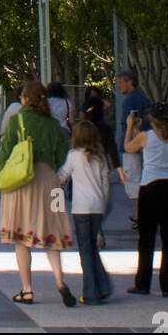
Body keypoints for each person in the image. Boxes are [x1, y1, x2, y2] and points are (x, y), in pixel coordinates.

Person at [0, 81, 76, 307]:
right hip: (51, 183)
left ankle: (27, 290)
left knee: (21, 236)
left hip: (23, 182)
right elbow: (60, 159)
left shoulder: (18, 121)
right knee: (52, 233)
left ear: (25, 99)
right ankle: (59, 280)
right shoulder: (54, 125)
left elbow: (5, 152)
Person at [124, 100, 168, 297]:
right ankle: (167, 285)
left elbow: (128, 147)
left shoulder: (145, 136)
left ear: (151, 118)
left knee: (146, 239)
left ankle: (143, 283)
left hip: (150, 189)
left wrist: (130, 126)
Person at [58, 120, 113, 304]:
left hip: (81, 208)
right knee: (92, 248)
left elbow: (62, 176)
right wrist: (104, 204)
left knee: (85, 250)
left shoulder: (74, 155)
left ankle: (90, 293)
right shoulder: (100, 156)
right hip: (98, 206)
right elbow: (106, 182)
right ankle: (103, 286)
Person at [82, 86, 124, 247]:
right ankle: (97, 229)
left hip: (84, 169)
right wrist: (120, 171)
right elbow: (112, 150)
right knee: (106, 202)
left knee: (91, 201)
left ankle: (95, 229)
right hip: (102, 168)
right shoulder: (104, 128)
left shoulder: (83, 128)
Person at [118, 69, 151, 228]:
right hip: (144, 145)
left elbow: (130, 122)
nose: (118, 86)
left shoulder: (130, 100)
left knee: (133, 180)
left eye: (121, 82)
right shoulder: (143, 98)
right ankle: (142, 214)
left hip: (132, 145)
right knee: (139, 179)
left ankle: (141, 215)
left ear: (130, 82)